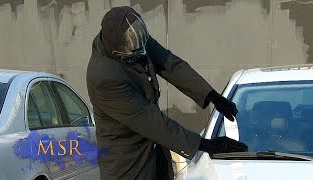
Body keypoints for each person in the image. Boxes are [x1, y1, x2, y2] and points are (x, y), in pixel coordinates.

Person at [86, 6, 247, 180]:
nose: (144, 53)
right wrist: (205, 144)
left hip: (155, 153)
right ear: (118, 51)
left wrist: (212, 96)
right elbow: (151, 121)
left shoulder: (134, 38)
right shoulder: (104, 78)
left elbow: (170, 64)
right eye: (136, 53)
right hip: (127, 164)